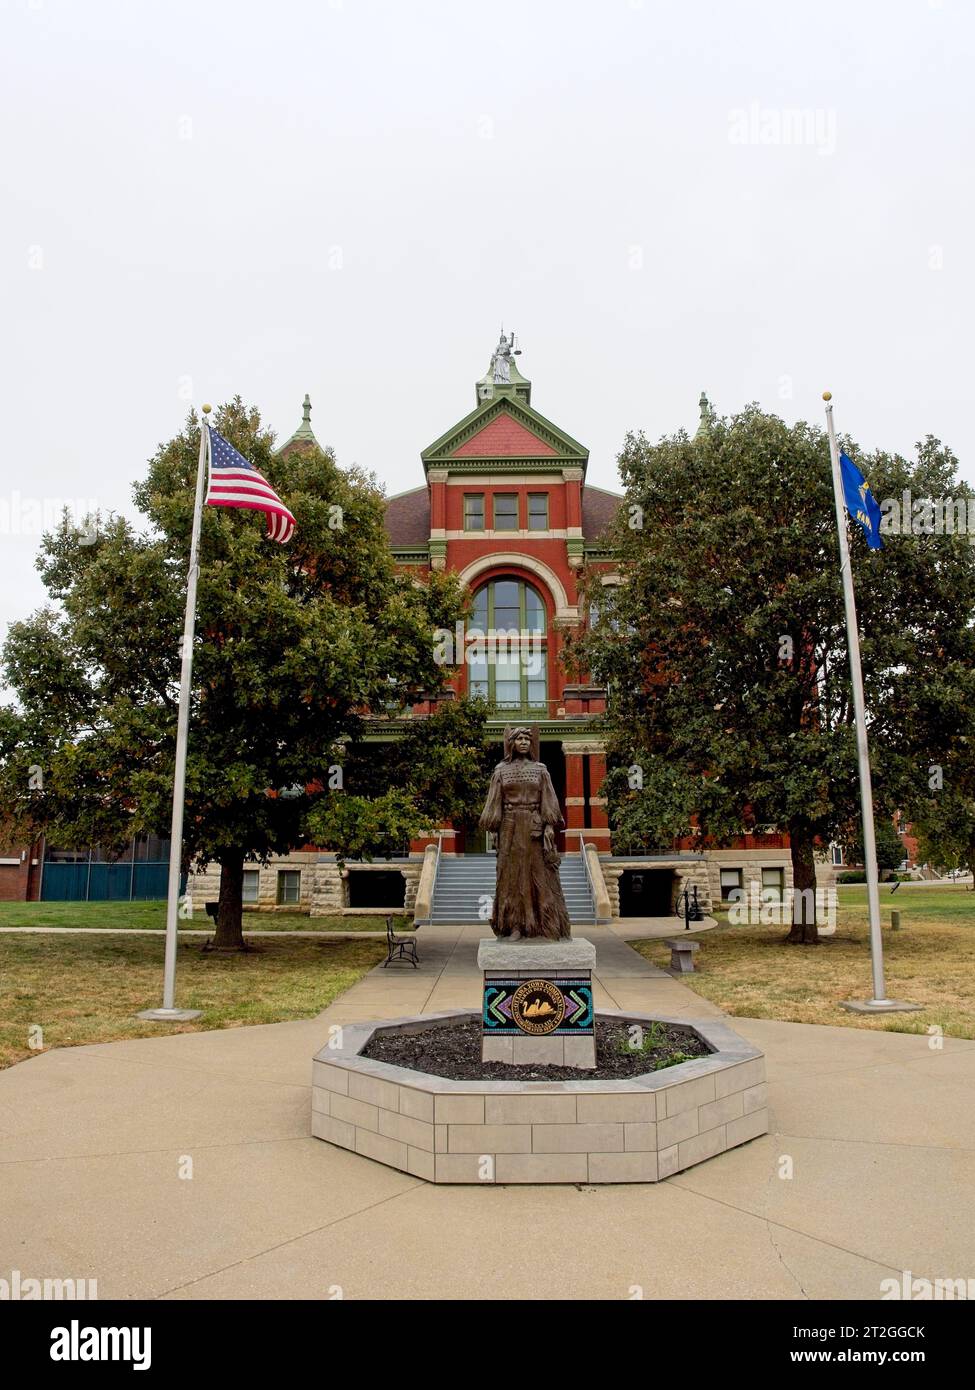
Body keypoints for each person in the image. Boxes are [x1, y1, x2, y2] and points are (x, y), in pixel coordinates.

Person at [478, 725, 571, 940]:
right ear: (511, 743)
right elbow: (495, 801)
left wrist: (548, 826)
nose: (523, 742)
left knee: (538, 874)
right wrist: (494, 828)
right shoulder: (501, 770)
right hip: (509, 826)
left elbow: (548, 799)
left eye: (527, 739)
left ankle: (542, 925)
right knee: (510, 877)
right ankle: (514, 925)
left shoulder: (540, 769)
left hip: (533, 824)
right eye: (519, 739)